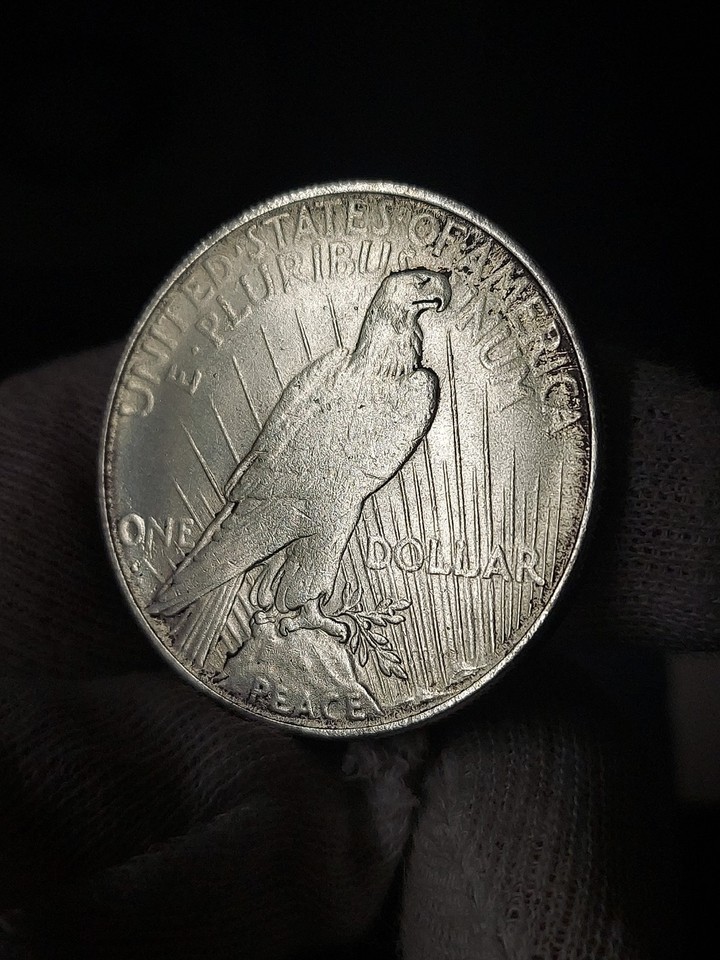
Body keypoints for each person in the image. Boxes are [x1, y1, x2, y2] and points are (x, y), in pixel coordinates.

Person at [0, 341, 717, 959]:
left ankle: (298, 610)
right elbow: (273, 461)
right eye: (411, 297)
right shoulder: (339, 380)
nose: (423, 305)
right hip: (271, 516)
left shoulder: (413, 392)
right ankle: (286, 612)